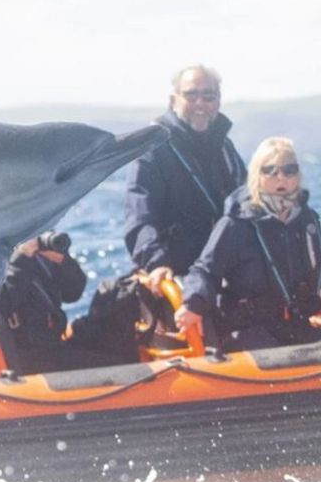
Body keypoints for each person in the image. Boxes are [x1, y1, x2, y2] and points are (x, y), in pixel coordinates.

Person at [176, 138, 321, 351]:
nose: (281, 177)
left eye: (289, 170)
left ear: (297, 176)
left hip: (299, 323)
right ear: (257, 176)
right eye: (270, 170)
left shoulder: (309, 221)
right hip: (250, 328)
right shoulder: (236, 225)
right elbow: (205, 271)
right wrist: (192, 304)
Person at [124, 65, 246, 294]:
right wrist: (156, 263)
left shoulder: (226, 149)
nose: (200, 103)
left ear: (218, 101)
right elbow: (140, 217)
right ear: (173, 100)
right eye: (191, 95)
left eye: (208, 96)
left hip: (225, 272)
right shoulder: (154, 149)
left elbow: (250, 204)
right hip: (176, 275)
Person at [0, 231, 123, 373]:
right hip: (22, 355)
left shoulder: (37, 253)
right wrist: (20, 260)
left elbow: (73, 293)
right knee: (119, 369)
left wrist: (63, 261)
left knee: (117, 347)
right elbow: (1, 304)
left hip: (51, 345)